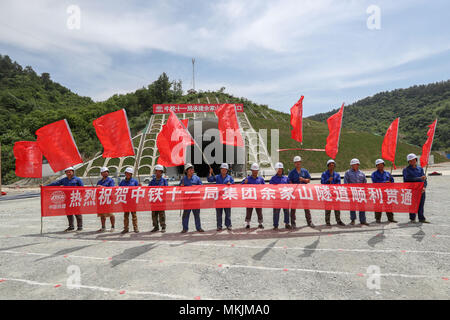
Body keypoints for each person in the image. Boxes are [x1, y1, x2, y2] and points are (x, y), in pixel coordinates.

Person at [46, 167, 84, 232]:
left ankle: (80, 227)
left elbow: (82, 189)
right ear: (65, 173)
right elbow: (55, 184)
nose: (69, 173)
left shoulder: (78, 180)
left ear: (73, 172)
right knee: (68, 213)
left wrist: (80, 197)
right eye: (67, 172)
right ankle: (71, 226)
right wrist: (45, 186)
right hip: (67, 199)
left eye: (70, 171)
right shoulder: (64, 180)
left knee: (77, 213)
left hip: (75, 199)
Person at [288, 156, 314, 228]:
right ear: (294, 163)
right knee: (293, 208)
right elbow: (289, 181)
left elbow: (309, 180)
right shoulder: (292, 172)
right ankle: (293, 223)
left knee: (306, 207)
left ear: (301, 162)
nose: (298, 163)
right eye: (296, 162)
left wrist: (303, 180)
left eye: (299, 162)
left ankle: (309, 221)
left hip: (303, 192)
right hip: (295, 192)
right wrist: (293, 185)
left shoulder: (304, 171)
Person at [403, 153, 429, 223]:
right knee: (412, 204)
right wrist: (419, 178)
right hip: (412, 190)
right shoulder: (406, 170)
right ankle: (412, 218)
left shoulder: (420, 169)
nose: (412, 161)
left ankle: (421, 218)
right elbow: (407, 179)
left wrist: (424, 187)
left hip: (420, 190)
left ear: (416, 160)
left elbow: (424, 179)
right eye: (410, 160)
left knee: (421, 204)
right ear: (408, 162)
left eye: (414, 160)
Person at [208, 163, 234, 231]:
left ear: (227, 170)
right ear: (220, 170)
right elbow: (209, 180)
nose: (224, 170)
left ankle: (228, 225)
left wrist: (230, 184)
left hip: (226, 197)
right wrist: (210, 173)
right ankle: (219, 226)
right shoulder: (217, 177)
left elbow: (234, 185)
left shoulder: (230, 178)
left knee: (228, 213)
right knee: (219, 213)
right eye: (222, 169)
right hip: (218, 198)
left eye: (225, 169)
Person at [180, 163, 204, 233]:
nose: (192, 171)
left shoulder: (197, 178)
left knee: (197, 215)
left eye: (192, 170)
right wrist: (181, 186)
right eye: (190, 170)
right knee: (185, 215)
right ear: (187, 171)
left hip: (195, 200)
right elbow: (179, 188)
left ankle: (198, 228)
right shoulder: (183, 179)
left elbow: (201, 187)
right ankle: (185, 228)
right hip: (187, 201)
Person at [371, 159, 397, 223]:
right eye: (378, 165)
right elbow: (375, 182)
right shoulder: (374, 174)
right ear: (376, 166)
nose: (380, 166)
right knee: (378, 205)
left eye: (381, 165)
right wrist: (385, 182)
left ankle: (390, 218)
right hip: (378, 192)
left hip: (387, 192)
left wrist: (390, 183)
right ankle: (377, 218)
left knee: (389, 205)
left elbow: (392, 181)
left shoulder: (388, 173)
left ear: (384, 165)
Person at [344, 158, 369, 226]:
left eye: (355, 164)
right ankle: (353, 220)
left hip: (360, 193)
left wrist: (365, 192)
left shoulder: (362, 173)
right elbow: (346, 183)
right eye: (353, 165)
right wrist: (348, 192)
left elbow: (365, 183)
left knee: (362, 207)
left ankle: (363, 220)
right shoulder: (348, 173)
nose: (354, 166)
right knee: (352, 207)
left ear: (358, 165)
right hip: (352, 192)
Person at [321, 160, 345, 226]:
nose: (331, 166)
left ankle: (338, 220)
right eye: (330, 165)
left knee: (337, 208)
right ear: (328, 166)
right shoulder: (324, 174)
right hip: (327, 193)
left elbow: (339, 183)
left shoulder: (337, 175)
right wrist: (328, 180)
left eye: (333, 165)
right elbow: (322, 183)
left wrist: (334, 185)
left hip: (335, 193)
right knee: (328, 208)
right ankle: (327, 221)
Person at [242, 163, 265, 229]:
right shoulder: (247, 179)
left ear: (258, 171)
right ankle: (248, 223)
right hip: (250, 198)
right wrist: (244, 182)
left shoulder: (261, 179)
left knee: (259, 211)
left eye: (256, 170)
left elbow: (265, 187)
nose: (255, 172)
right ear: (251, 171)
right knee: (249, 211)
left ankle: (260, 223)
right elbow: (241, 186)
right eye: (253, 170)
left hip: (258, 198)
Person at [269, 162, 291, 230]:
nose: (279, 170)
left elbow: (289, 186)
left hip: (284, 197)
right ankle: (275, 225)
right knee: (276, 212)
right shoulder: (273, 179)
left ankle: (287, 223)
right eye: (278, 169)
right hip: (277, 198)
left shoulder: (286, 178)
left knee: (286, 211)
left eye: (281, 169)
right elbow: (270, 188)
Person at [119, 167, 140, 233]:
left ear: (131, 174)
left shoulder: (135, 181)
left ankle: (135, 228)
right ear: (125, 174)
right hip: (125, 201)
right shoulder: (122, 182)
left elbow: (138, 190)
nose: (128, 175)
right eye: (127, 173)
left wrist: (140, 187)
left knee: (134, 215)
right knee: (126, 215)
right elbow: (119, 190)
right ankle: (126, 228)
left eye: (129, 174)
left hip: (132, 201)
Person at [149, 164, 168, 233]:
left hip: (161, 200)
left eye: (159, 171)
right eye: (156, 171)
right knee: (154, 214)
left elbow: (166, 189)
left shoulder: (164, 181)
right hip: (154, 200)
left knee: (161, 214)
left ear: (161, 172)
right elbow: (148, 189)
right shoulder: (152, 181)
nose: (157, 172)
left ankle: (163, 226)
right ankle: (156, 227)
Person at [96, 167, 116, 232]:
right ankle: (103, 227)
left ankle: (112, 227)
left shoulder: (111, 180)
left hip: (109, 199)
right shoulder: (99, 181)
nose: (106, 173)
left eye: (107, 171)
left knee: (111, 214)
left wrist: (102, 187)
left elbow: (111, 189)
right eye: (104, 172)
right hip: (101, 200)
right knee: (102, 215)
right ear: (101, 173)